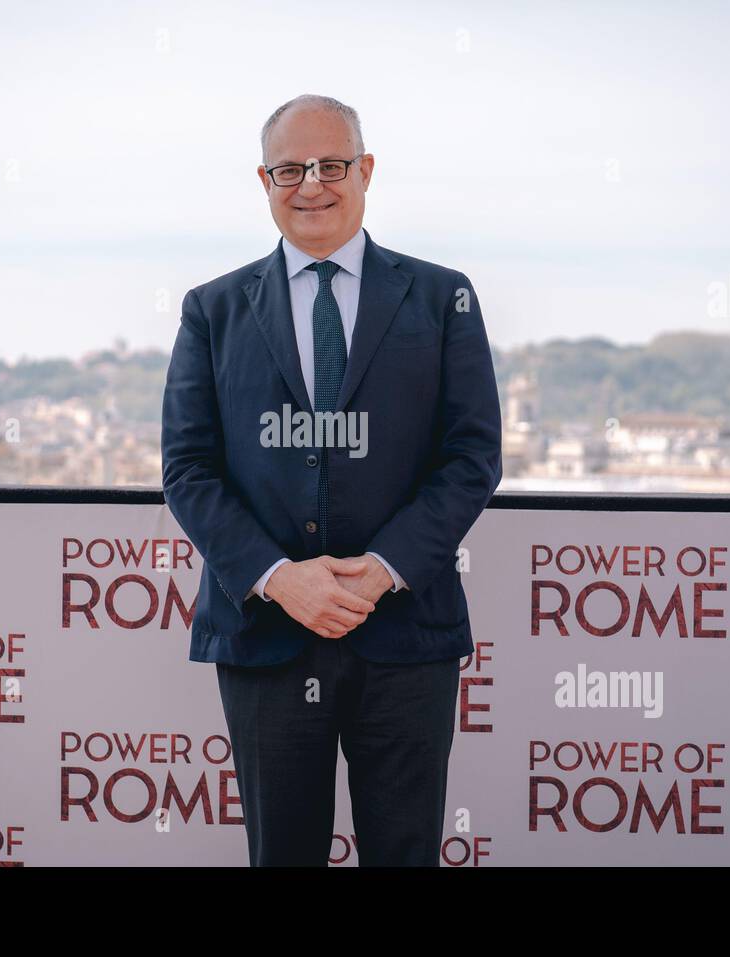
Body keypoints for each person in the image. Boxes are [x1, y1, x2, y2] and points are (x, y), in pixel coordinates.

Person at [160, 94, 502, 866]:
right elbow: (187, 468)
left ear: (366, 170)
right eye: (290, 169)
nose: (311, 184)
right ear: (265, 180)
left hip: (406, 634)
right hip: (267, 637)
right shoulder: (211, 310)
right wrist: (280, 579)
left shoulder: (442, 296)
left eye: (331, 165)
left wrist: (379, 571)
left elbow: (473, 453)